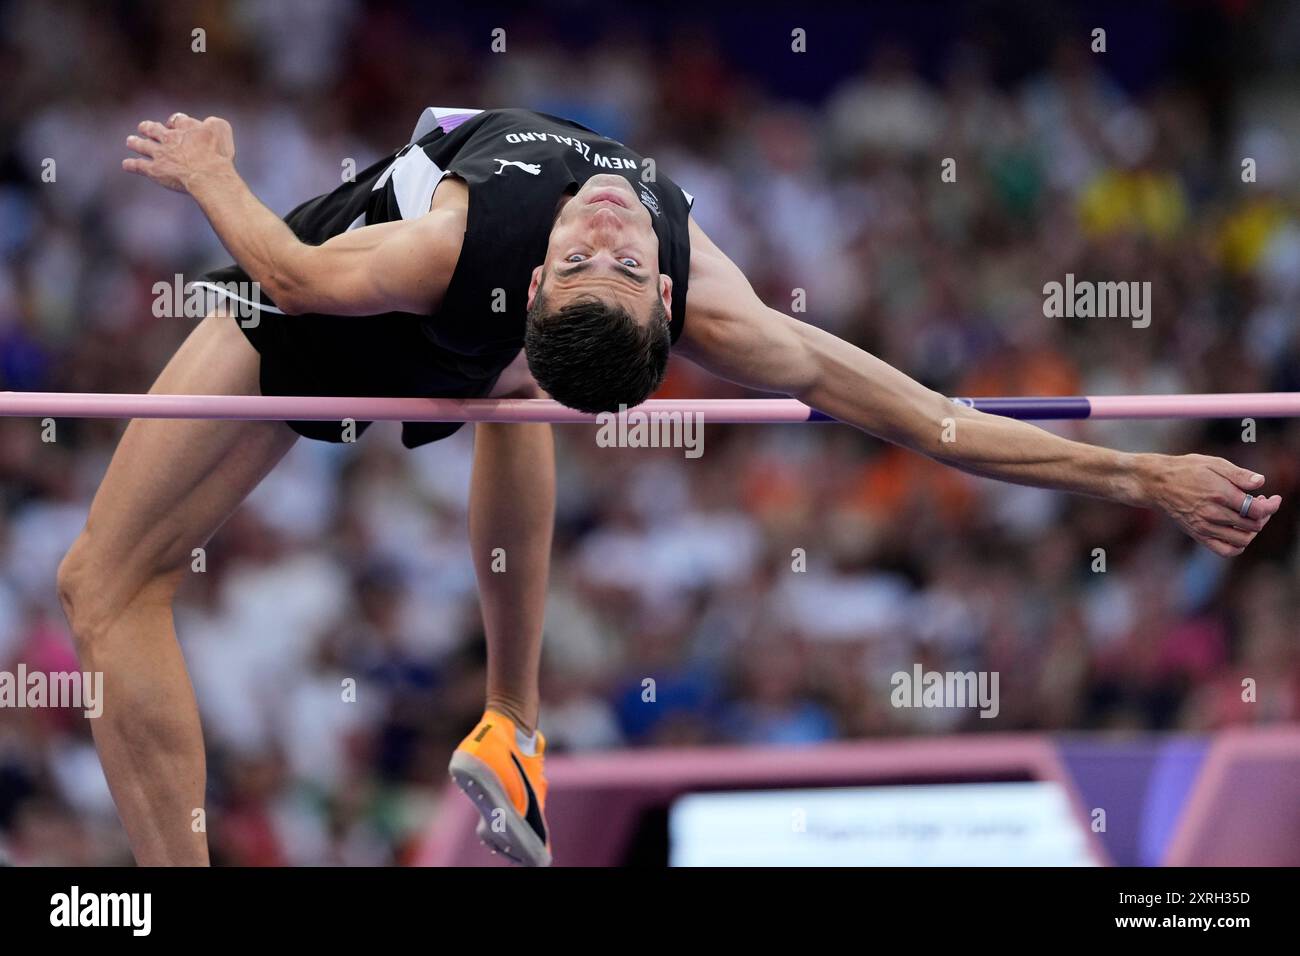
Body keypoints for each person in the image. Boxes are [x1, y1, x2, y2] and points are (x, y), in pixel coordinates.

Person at [58, 106, 1280, 867]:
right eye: (603, 256)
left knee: (114, 577)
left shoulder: (611, 287)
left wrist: (1143, 471)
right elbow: (305, 276)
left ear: (655, 311)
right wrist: (213, 175)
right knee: (117, 577)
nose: (602, 227)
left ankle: (472, 745)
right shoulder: (550, 263)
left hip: (413, 320)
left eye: (612, 259)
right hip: (375, 306)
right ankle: (486, 734)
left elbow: (940, 424)